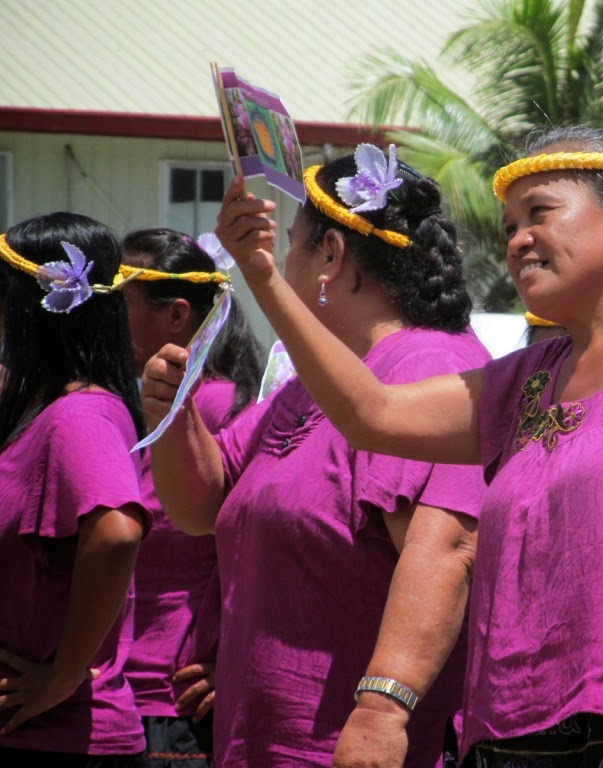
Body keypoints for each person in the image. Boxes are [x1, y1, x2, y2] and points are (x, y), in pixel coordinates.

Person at [213, 126, 603, 768]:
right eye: (511, 226)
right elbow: (372, 413)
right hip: (513, 731)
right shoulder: (526, 377)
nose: (517, 241)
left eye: (539, 214)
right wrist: (264, 275)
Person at [141, 147, 490, 768]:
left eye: (293, 246)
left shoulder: (430, 366)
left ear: (330, 255)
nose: (283, 261)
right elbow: (202, 505)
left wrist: (383, 709)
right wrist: (175, 413)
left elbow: (446, 553)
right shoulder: (317, 379)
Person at [0, 213, 150, 765]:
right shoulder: (40, 408)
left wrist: (63, 677)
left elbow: (116, 533)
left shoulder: (79, 416)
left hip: (60, 739)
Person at [120, 229, 265, 767]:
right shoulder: (134, 405)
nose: (106, 315)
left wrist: (234, 652)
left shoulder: (230, 411)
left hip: (175, 706)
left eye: (121, 299)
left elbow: (262, 547)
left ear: (177, 315)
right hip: (116, 696)